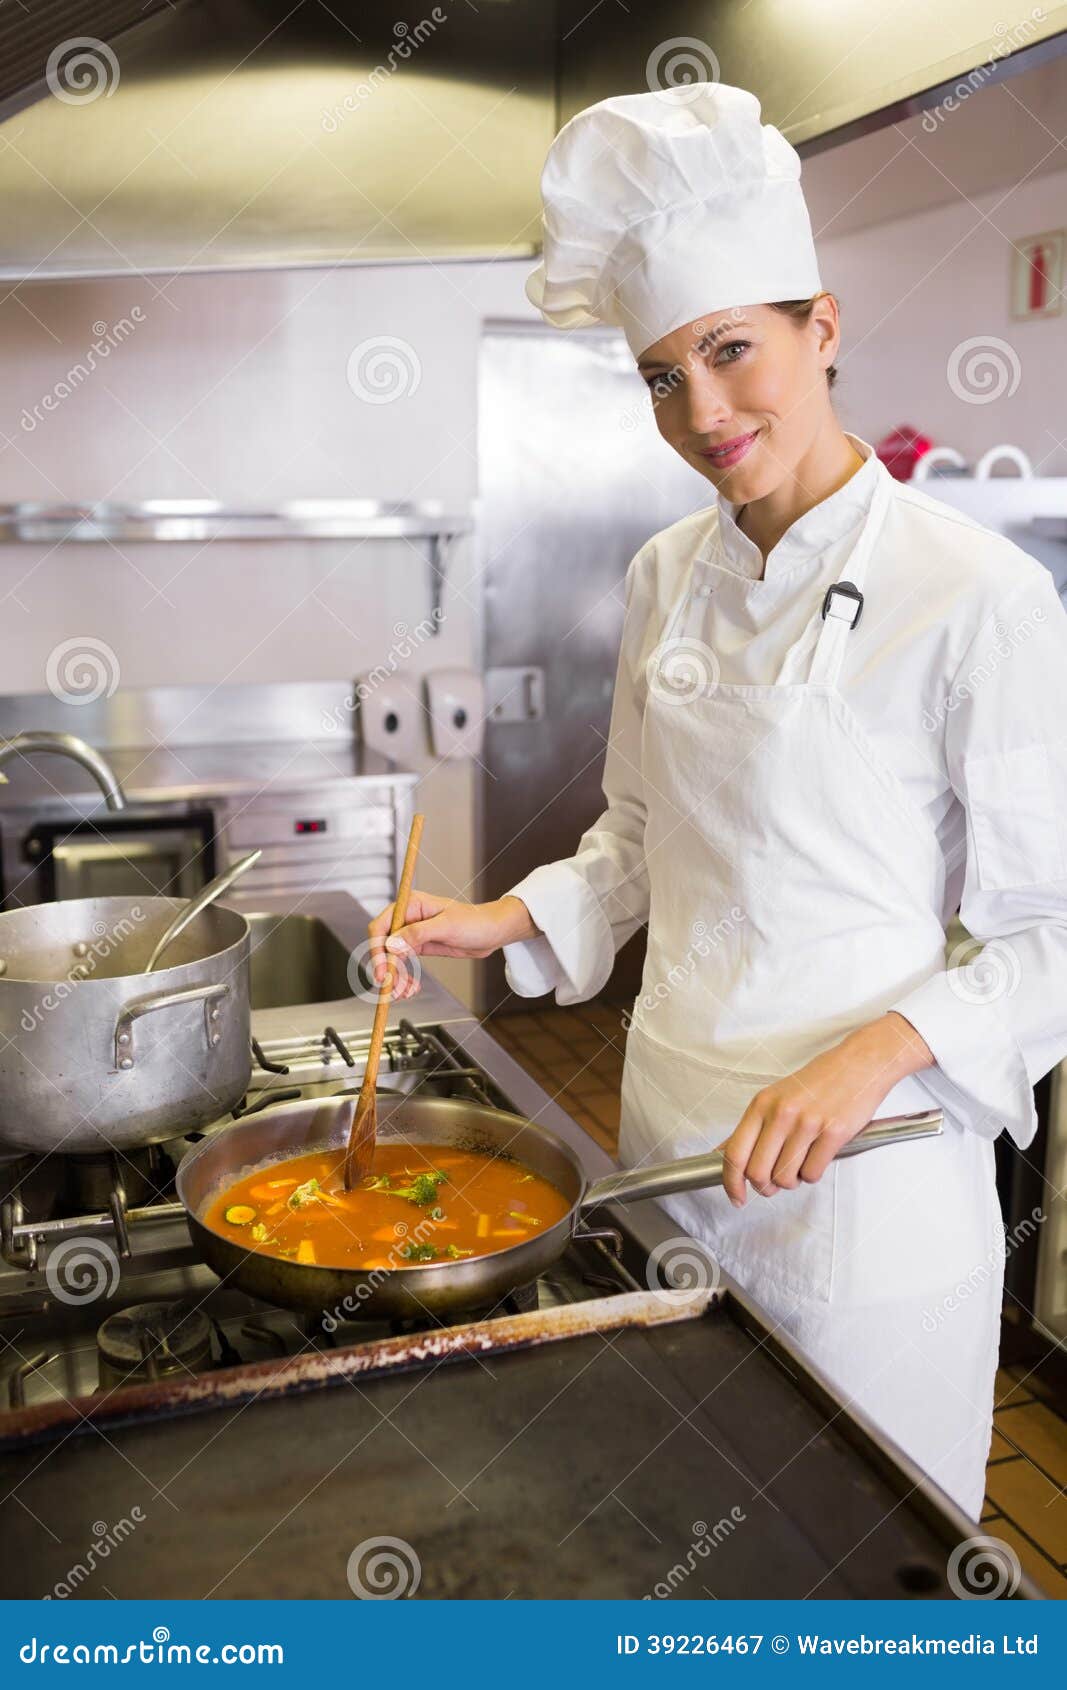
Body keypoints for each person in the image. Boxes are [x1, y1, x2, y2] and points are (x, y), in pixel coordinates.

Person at [368, 82, 1067, 1521]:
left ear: (822, 326)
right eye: (663, 374)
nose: (702, 410)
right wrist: (495, 916)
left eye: (734, 350)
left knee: (860, 1562)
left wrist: (874, 1048)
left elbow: (1049, 934)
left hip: (866, 1186)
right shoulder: (662, 573)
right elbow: (639, 838)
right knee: (681, 1523)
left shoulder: (978, 592)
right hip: (672, 1141)